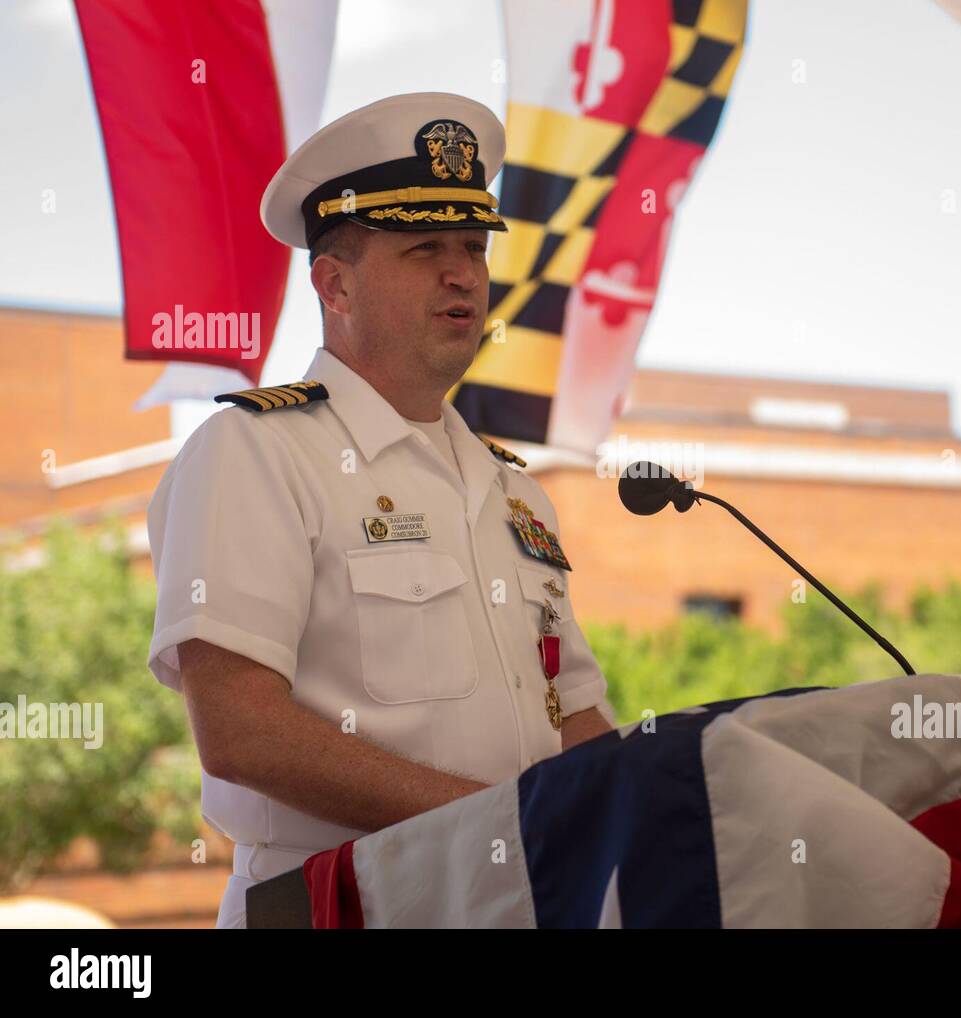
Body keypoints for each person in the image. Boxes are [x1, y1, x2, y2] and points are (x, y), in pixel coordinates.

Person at [145, 92, 616, 929]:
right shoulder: (255, 453)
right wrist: (502, 829)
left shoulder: (515, 489)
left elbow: (574, 714)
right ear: (335, 284)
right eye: (424, 246)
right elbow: (242, 732)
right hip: (341, 905)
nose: (463, 271)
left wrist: (623, 825)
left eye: (473, 246)